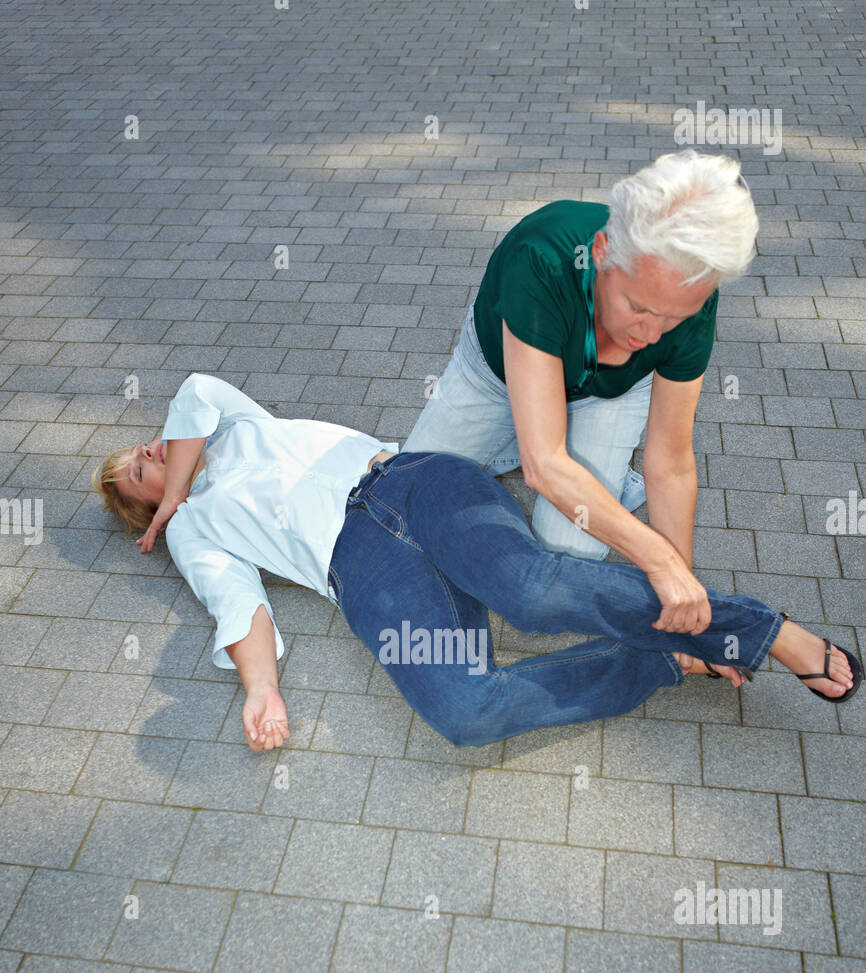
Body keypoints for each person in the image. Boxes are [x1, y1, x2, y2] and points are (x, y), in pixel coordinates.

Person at [92, 374, 861, 753]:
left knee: (530, 592)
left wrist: (174, 481)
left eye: (144, 446)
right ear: (144, 510)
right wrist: (261, 690)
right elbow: (237, 605)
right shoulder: (194, 530)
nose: (151, 451)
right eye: (140, 472)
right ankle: (668, 660)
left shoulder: (229, 425)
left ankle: (759, 632)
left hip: (412, 482)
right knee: (463, 712)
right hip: (360, 570)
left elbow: (192, 392)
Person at [402, 147, 756, 600]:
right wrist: (657, 557)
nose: (651, 333)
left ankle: (571, 459)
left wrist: (681, 585)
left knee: (564, 557)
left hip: (608, 394)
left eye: (673, 318)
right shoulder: (541, 258)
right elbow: (544, 465)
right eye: (639, 307)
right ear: (603, 252)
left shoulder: (693, 298)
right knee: (408, 498)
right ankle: (528, 436)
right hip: (496, 377)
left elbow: (670, 462)